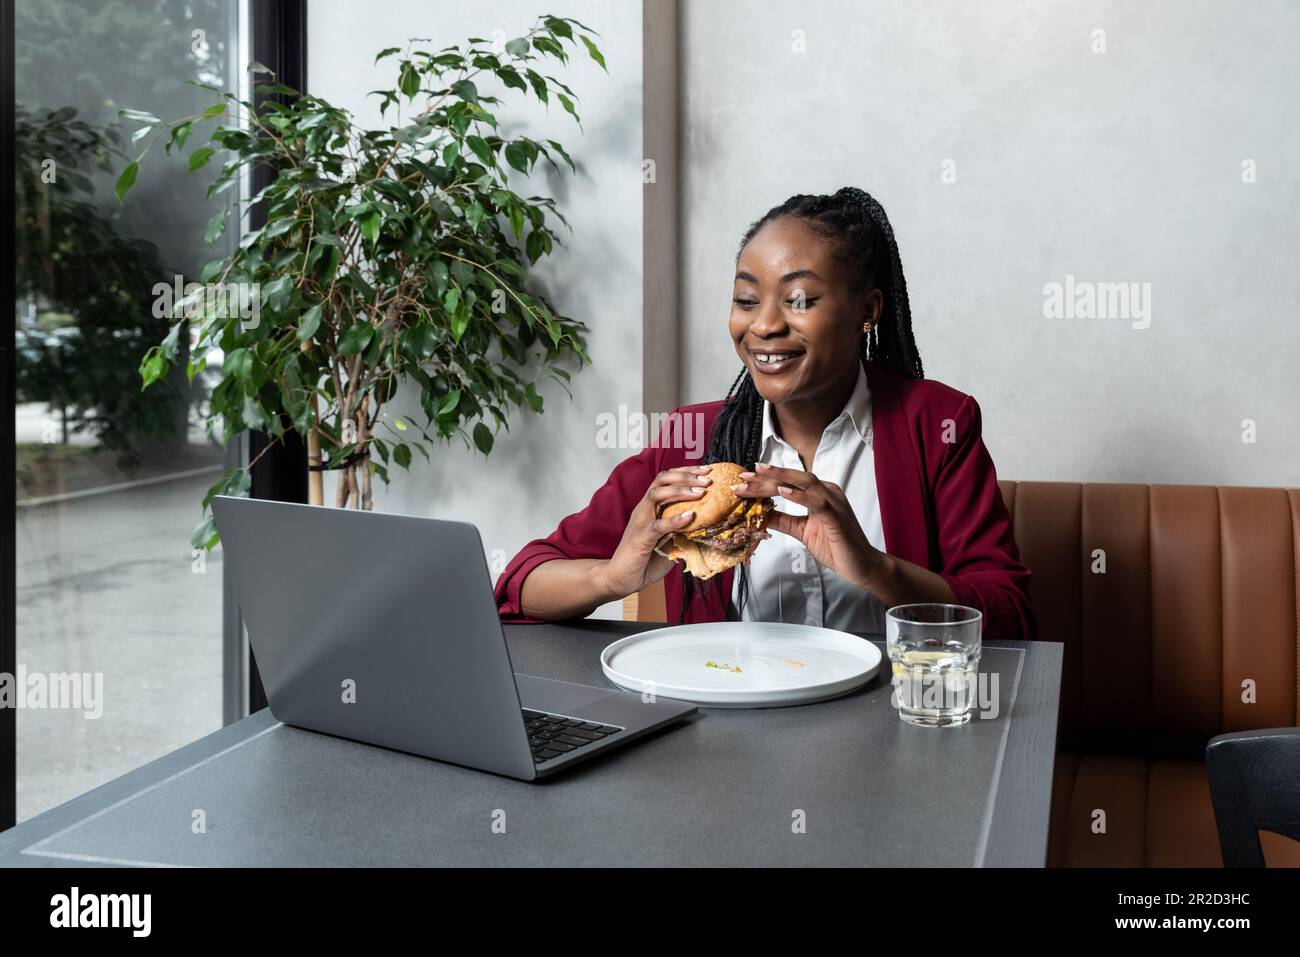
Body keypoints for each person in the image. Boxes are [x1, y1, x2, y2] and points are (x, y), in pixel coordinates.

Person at [494, 186, 1036, 640]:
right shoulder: (691, 438)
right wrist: (613, 578)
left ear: (867, 310)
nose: (764, 326)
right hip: (734, 740)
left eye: (799, 300)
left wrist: (875, 569)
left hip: (894, 724)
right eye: (747, 300)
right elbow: (520, 584)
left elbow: (1010, 616)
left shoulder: (938, 425)